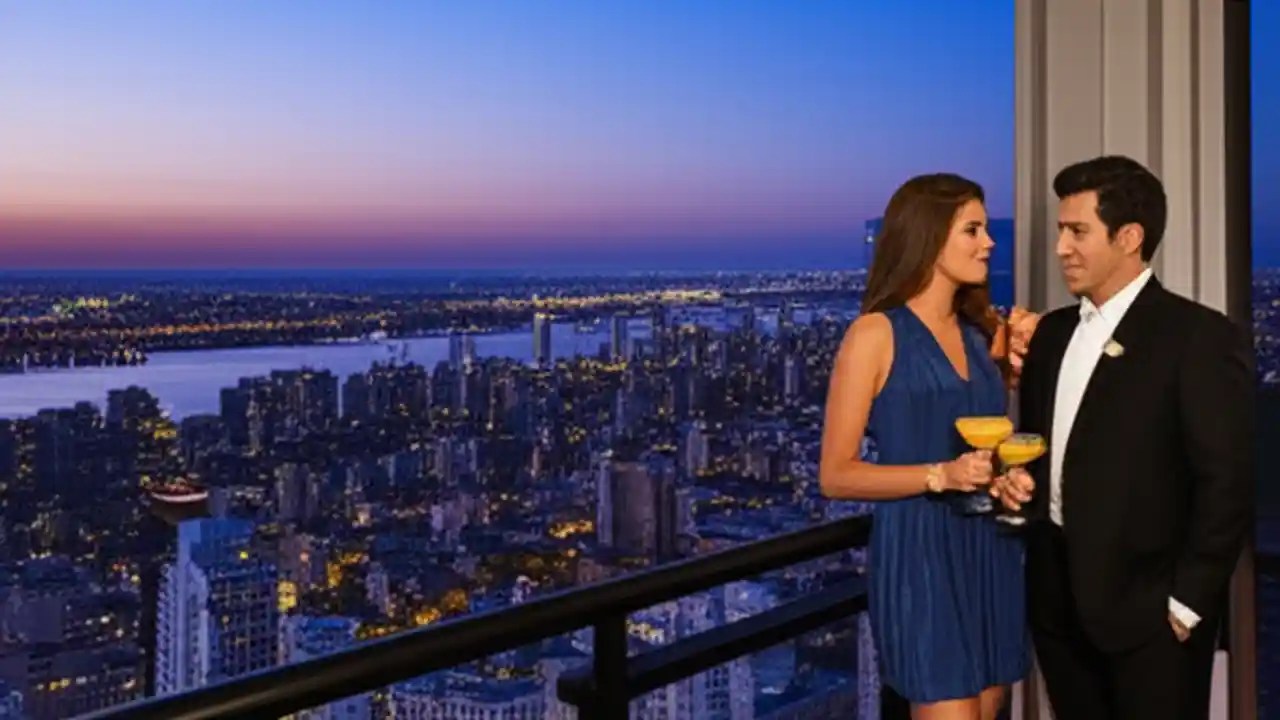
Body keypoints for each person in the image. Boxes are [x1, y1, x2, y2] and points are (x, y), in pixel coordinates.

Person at [994, 155, 1254, 720]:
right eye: (1061, 230)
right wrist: (1021, 488)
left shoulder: (1199, 336)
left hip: (1153, 619)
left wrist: (1186, 605)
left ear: (1130, 237)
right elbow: (1045, 450)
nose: (1061, 247)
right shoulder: (1053, 334)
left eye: (1077, 231)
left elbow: (1227, 483)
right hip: (1057, 608)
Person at [819, 173, 1027, 720]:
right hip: (919, 552)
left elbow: (994, 444)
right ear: (929, 238)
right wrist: (940, 475)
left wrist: (1003, 477)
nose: (989, 243)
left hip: (989, 546)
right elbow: (836, 474)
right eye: (973, 230)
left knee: (988, 708)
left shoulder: (984, 335)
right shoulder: (873, 335)